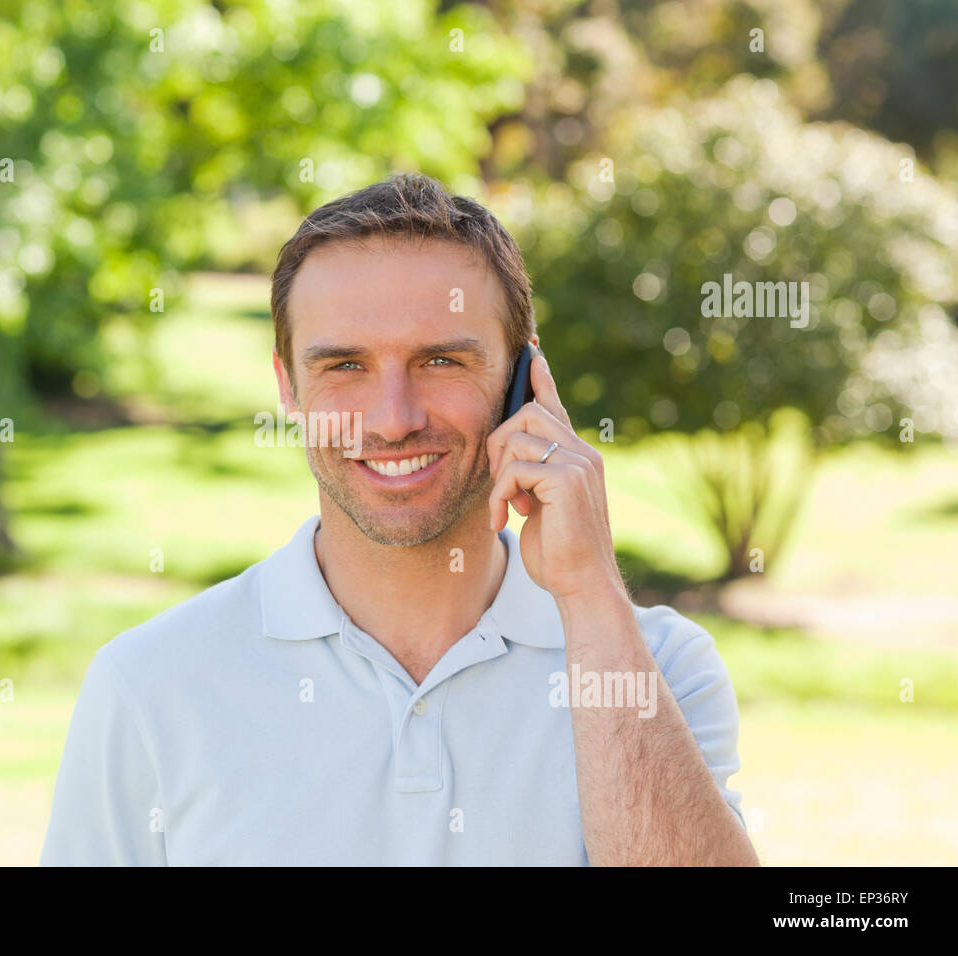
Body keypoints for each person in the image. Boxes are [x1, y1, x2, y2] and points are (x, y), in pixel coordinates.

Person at [40, 172, 758, 866]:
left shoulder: (657, 668)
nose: (393, 420)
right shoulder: (149, 685)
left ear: (523, 380)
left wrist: (588, 590)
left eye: (440, 360)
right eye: (345, 366)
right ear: (287, 386)